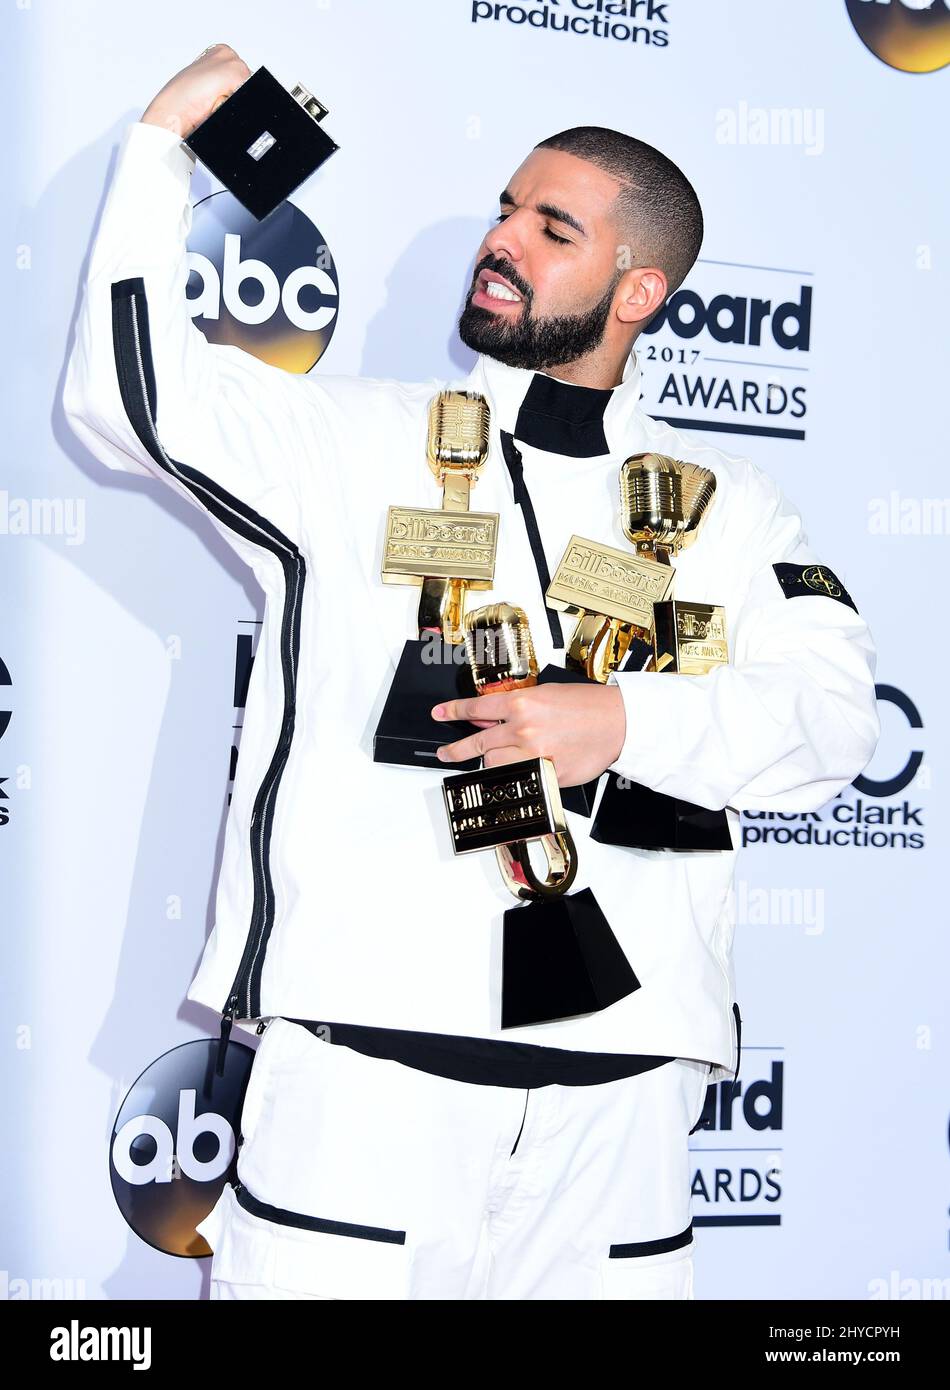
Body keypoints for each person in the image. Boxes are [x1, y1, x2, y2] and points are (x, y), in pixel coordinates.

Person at [63, 44, 880, 1300]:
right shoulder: (355, 444)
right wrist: (163, 149)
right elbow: (130, 398)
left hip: (619, 1125)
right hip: (361, 1098)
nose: (501, 239)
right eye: (502, 208)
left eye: (551, 226)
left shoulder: (729, 506)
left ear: (638, 289)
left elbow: (831, 723)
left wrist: (622, 718)